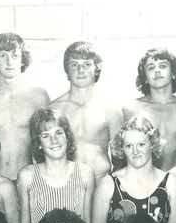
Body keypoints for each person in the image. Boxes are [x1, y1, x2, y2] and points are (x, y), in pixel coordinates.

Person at [92, 116, 176, 223]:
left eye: (141, 144)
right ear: (121, 149)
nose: (135, 152)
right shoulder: (108, 183)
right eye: (128, 146)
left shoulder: (170, 182)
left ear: (152, 145)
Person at [17, 107, 95, 223]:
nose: (54, 141)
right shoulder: (27, 176)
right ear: (38, 144)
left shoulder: (85, 173)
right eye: (46, 136)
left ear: (67, 136)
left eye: (58, 133)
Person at [0, 32, 50, 181]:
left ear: (22, 60)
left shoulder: (38, 97)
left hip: (30, 181)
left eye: (15, 56)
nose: (9, 62)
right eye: (3, 55)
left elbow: (49, 142)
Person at [49, 41, 124, 180]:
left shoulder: (110, 109)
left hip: (100, 183)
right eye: (74, 64)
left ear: (97, 67)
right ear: (67, 69)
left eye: (87, 64)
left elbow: (120, 159)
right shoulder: (55, 109)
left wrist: (109, 189)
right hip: (64, 186)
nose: (81, 70)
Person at [122, 48, 176, 170]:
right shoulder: (130, 109)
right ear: (145, 77)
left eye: (162, 66)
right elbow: (119, 156)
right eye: (151, 68)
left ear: (173, 73)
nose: (157, 71)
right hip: (143, 183)